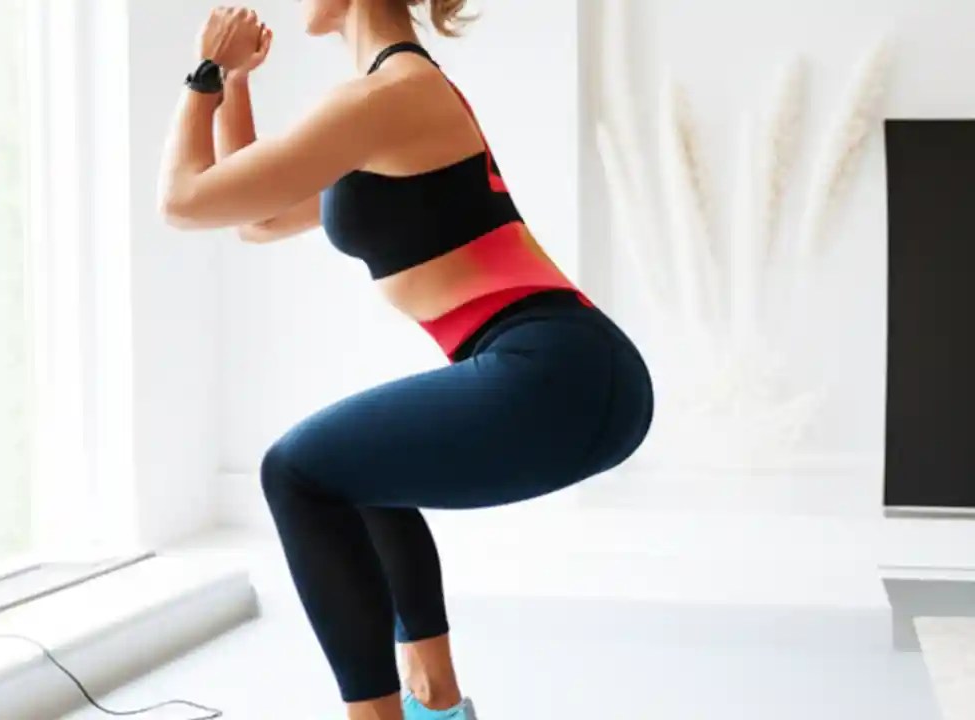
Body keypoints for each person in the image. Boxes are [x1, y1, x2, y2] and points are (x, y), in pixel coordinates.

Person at [158, 3, 654, 718]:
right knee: (356, 469)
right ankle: (435, 701)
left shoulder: (388, 98)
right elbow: (258, 219)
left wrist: (202, 74)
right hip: (573, 371)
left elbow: (182, 200)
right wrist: (235, 83)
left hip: (554, 367)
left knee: (297, 473)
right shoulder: (390, 103)